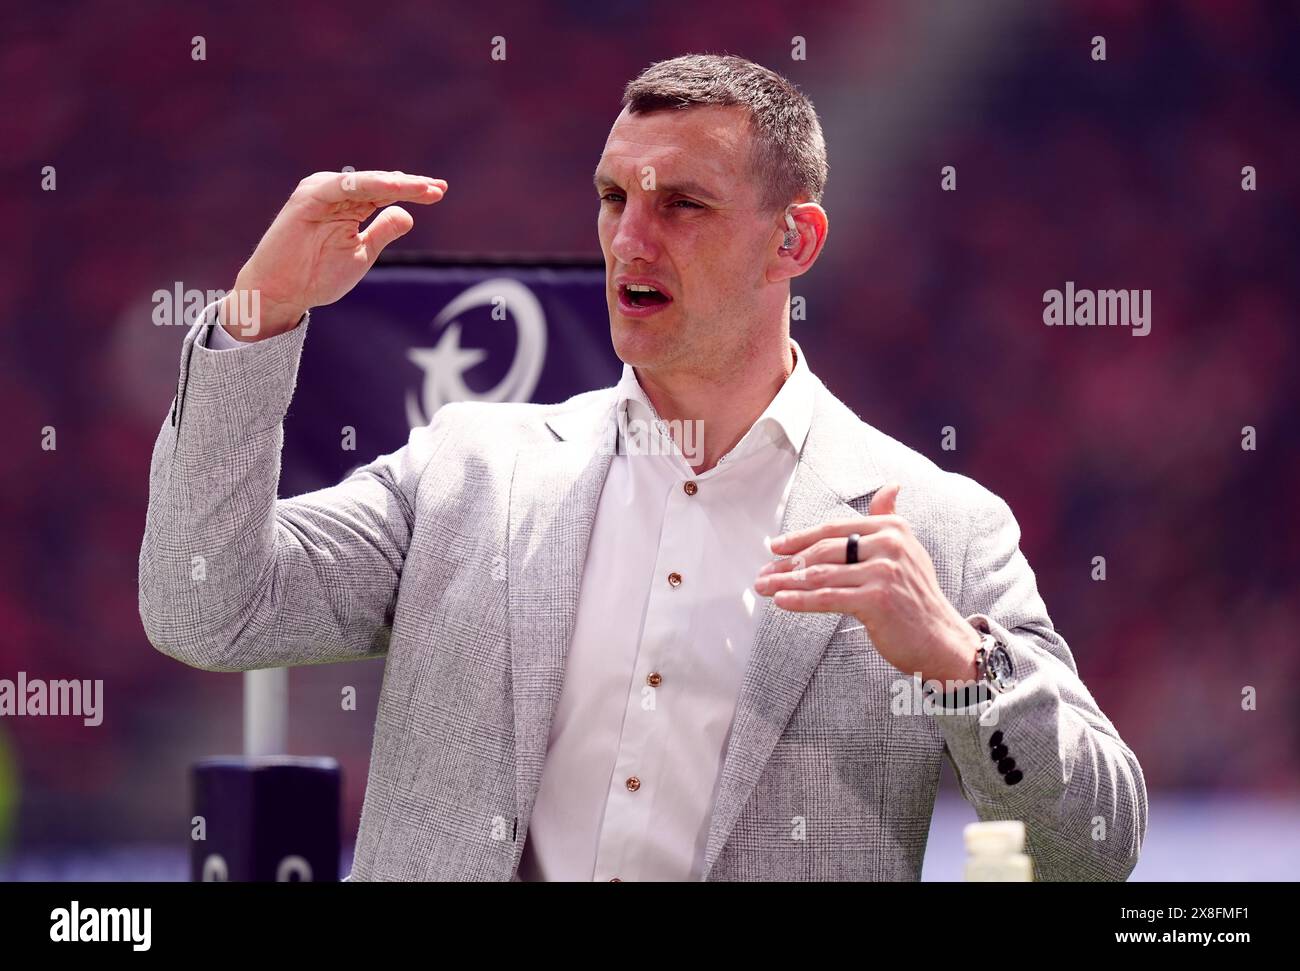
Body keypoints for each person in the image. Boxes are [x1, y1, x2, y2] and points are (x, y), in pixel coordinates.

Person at [139, 53, 1146, 881]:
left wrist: (962, 668)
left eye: (683, 204)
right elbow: (207, 607)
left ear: (792, 239)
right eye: (614, 195)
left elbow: (1094, 853)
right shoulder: (467, 468)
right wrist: (257, 317)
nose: (629, 237)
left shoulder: (934, 524)